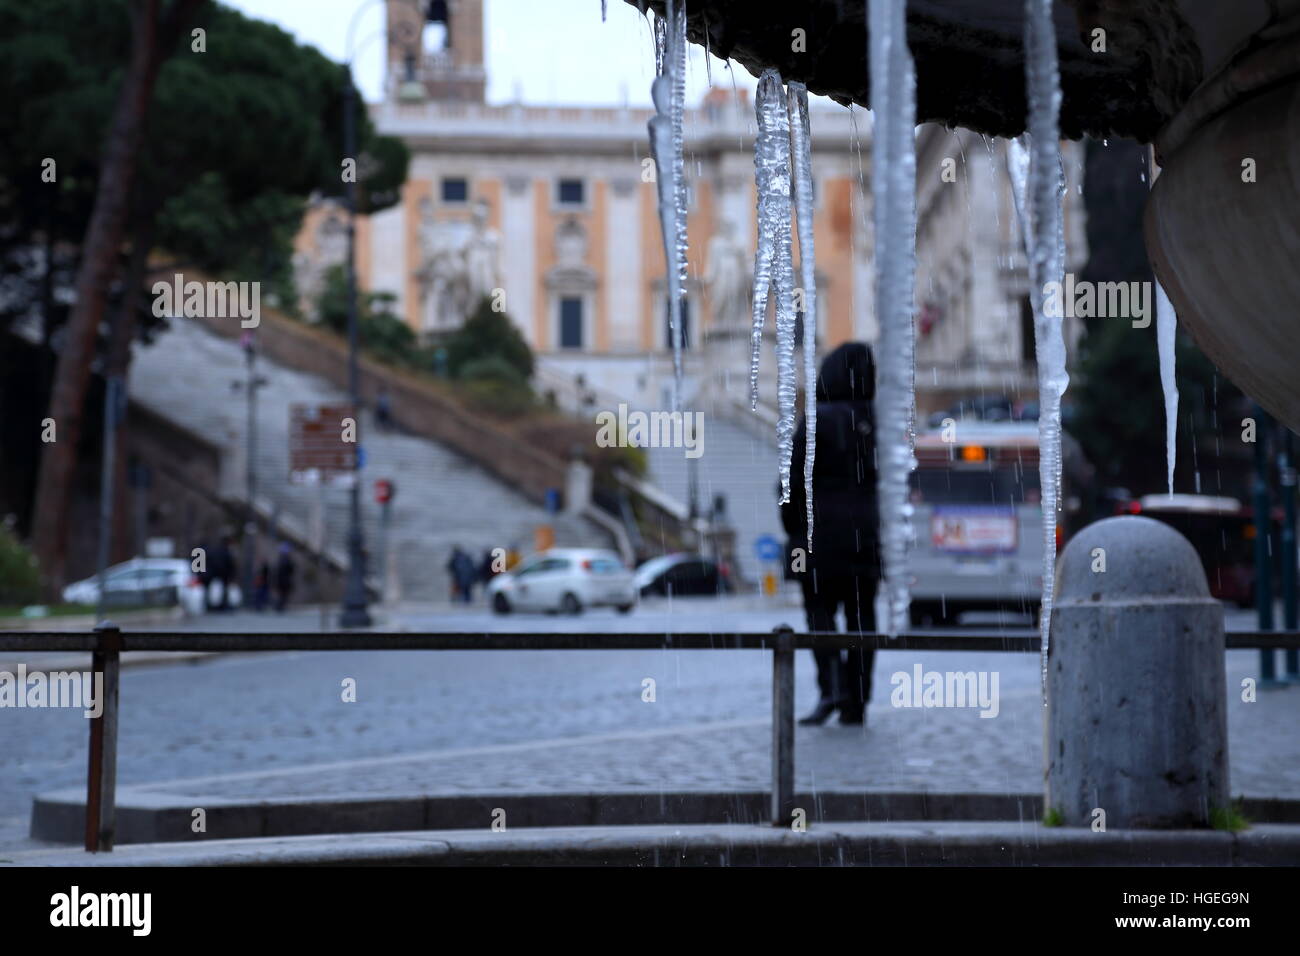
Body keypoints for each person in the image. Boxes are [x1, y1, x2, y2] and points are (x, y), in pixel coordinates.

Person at [780, 342, 882, 726]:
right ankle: (856, 699)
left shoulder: (817, 420)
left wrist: (794, 529)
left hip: (817, 538)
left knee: (820, 617)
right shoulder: (877, 421)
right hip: (865, 538)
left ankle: (831, 689)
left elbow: (791, 484)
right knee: (861, 619)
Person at [274, 543, 296, 612]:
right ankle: (280, 606)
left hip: (282, 580)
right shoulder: (286, 560)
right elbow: (291, 570)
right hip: (284, 580)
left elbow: (279, 571)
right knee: (283, 594)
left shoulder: (282, 559)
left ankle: (280, 606)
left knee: (282, 594)